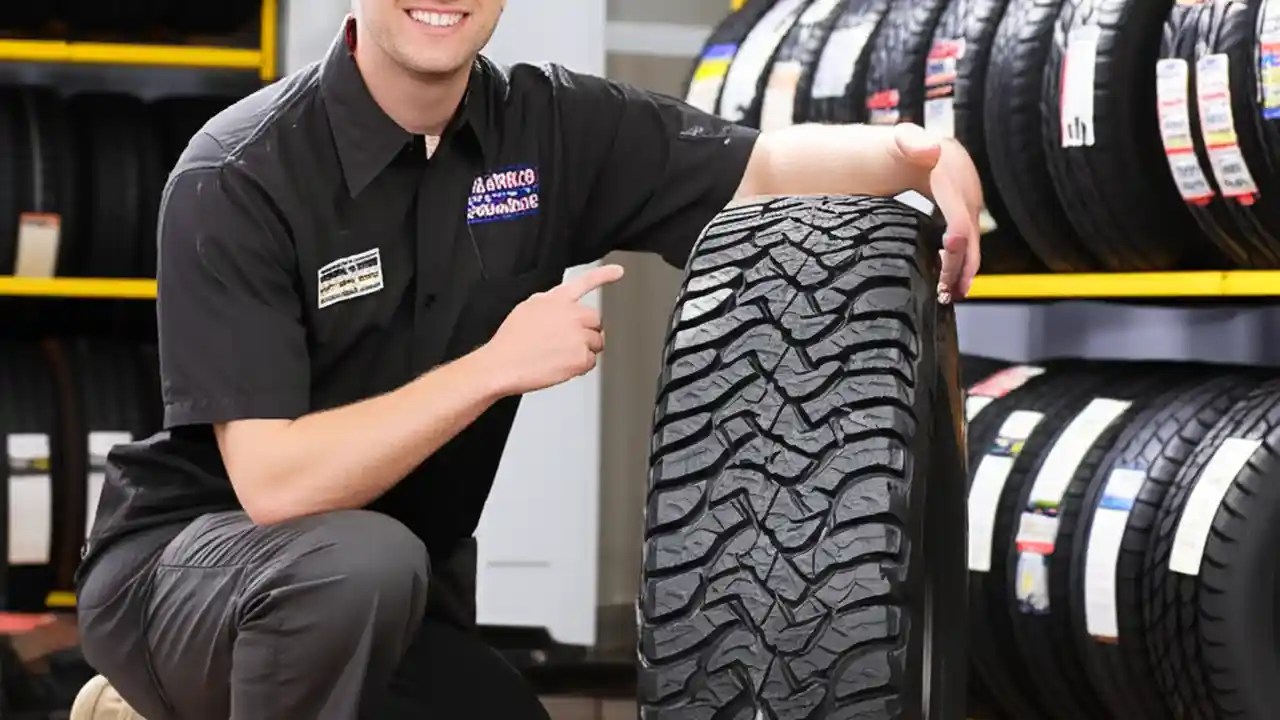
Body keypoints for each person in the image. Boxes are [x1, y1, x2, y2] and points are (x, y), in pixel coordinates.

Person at [70, 1, 986, 718]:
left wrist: (916, 155)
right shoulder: (238, 173)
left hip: (392, 600)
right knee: (359, 563)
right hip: (188, 577)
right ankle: (159, 702)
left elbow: (761, 167)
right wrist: (496, 365)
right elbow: (274, 485)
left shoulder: (546, 128)